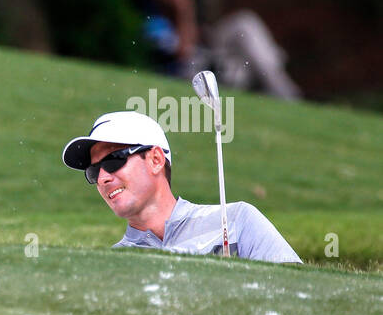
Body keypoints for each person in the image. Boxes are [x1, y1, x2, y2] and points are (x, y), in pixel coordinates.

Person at [61, 110, 302, 263]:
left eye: (114, 161)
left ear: (155, 160)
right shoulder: (111, 263)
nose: (102, 178)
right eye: (93, 171)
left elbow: (301, 295)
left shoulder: (237, 221)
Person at [124, 0, 301, 100]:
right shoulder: (145, 18)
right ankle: (288, 96)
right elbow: (183, 57)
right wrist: (184, 8)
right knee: (245, 67)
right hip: (193, 80)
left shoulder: (164, 7)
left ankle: (285, 89)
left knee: (244, 23)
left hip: (212, 61)